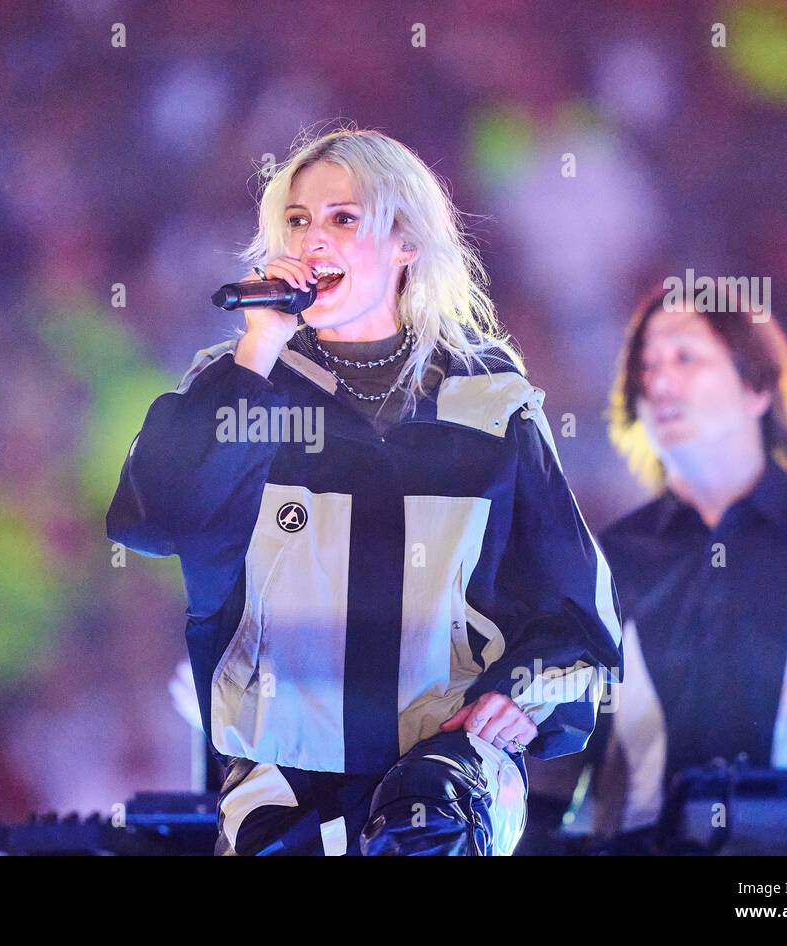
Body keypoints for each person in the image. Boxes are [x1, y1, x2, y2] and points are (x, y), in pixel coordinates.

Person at [106, 126, 622, 855]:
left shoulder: (488, 401)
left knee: (428, 812)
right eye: (297, 220)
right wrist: (257, 351)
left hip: (443, 781)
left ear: (405, 242)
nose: (313, 241)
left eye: (343, 219)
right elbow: (154, 517)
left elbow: (580, 620)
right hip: (283, 779)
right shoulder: (242, 383)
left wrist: (521, 693)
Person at [585, 286, 787, 848]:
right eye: (646, 367)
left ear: (757, 387)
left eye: (686, 358)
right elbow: (551, 773)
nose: (660, 382)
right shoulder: (602, 564)